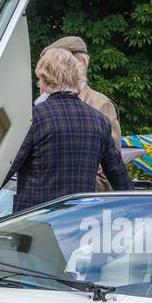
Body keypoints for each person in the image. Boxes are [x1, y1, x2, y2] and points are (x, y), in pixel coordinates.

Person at [9, 47, 132, 213]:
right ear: (76, 78)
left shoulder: (34, 118)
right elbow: (120, 178)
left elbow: (7, 168)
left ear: (44, 80)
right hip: (77, 223)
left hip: (34, 223)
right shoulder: (99, 121)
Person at [47, 36, 122, 190]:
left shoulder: (100, 105)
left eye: (59, 61)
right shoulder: (45, 104)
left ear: (81, 63)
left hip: (78, 205)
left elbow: (107, 174)